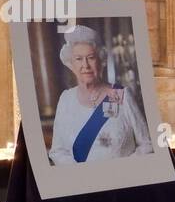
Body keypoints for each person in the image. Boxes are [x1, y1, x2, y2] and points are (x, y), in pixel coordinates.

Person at [48, 25, 153, 165]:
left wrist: (123, 171)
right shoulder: (66, 100)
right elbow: (57, 151)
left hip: (122, 182)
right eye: (78, 59)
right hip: (83, 184)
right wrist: (80, 175)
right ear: (71, 64)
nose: (85, 65)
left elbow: (147, 144)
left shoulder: (122, 95)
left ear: (101, 61)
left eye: (91, 57)